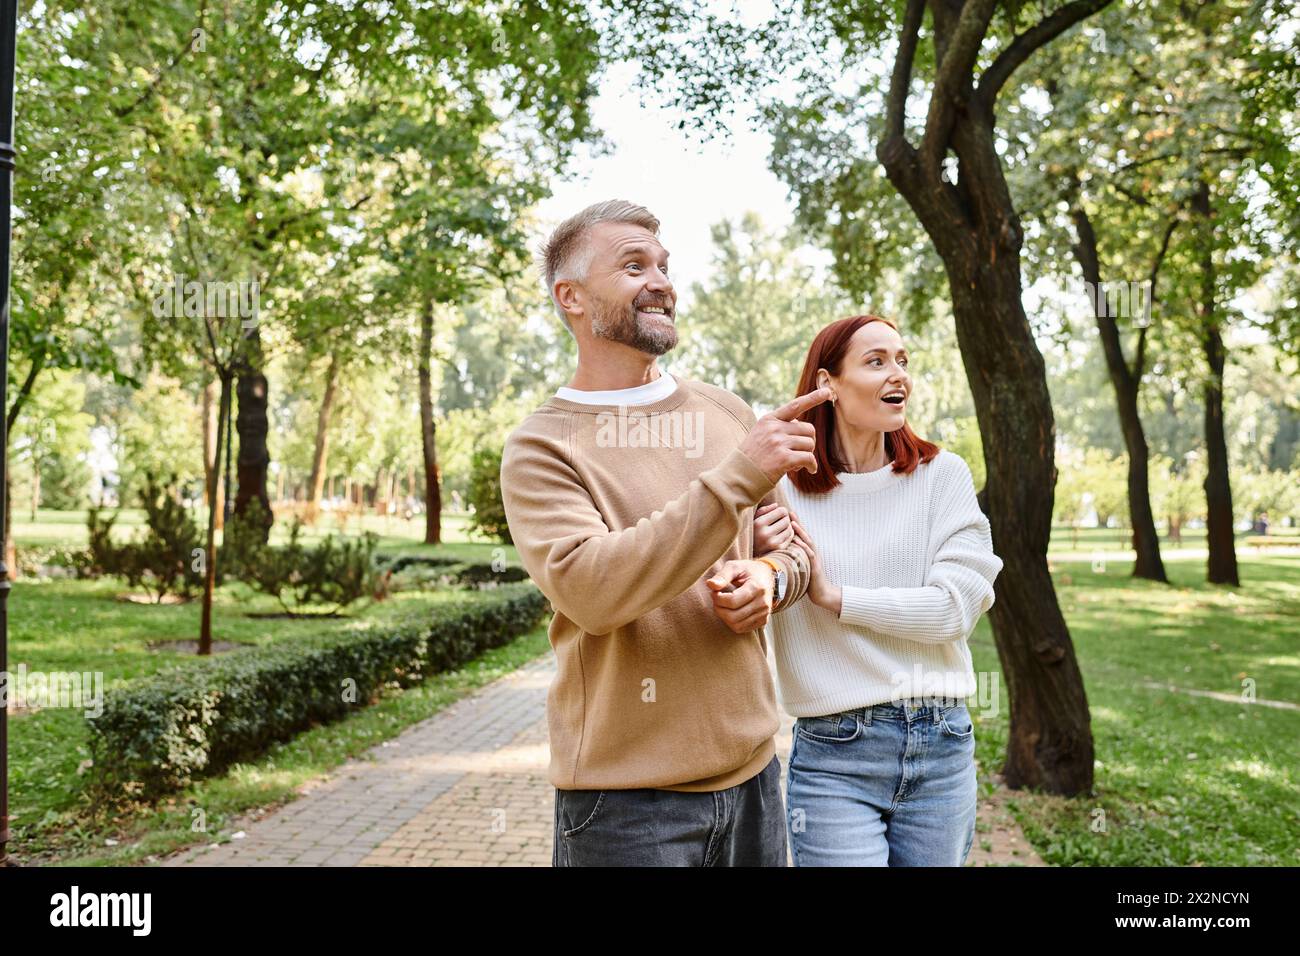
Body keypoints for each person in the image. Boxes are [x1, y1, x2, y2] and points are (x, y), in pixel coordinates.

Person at [499, 199, 830, 866]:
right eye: (632, 266)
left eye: (663, 265)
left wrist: (771, 579)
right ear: (572, 297)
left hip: (755, 779)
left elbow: (791, 549)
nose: (660, 281)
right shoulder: (541, 447)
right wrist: (738, 478)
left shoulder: (726, 413)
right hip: (626, 807)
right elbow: (592, 590)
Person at [751, 314, 1004, 866]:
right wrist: (752, 546)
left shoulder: (944, 476)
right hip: (834, 750)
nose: (899, 375)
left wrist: (836, 597)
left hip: (941, 743)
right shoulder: (779, 489)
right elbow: (745, 574)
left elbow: (954, 609)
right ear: (827, 384)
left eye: (902, 360)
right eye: (876, 361)